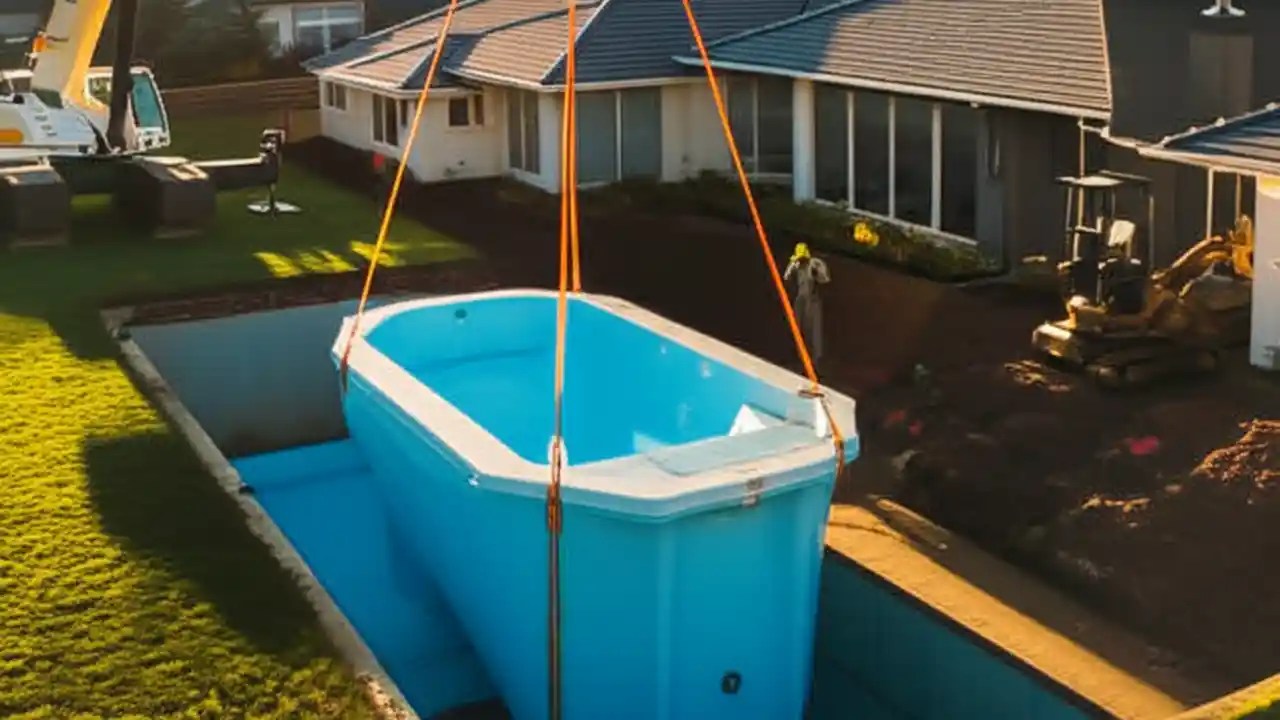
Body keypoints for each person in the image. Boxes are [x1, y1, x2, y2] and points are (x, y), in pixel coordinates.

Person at [783, 242, 831, 365]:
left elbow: (825, 279)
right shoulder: (797, 265)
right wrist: (792, 265)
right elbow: (786, 278)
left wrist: (817, 271)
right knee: (799, 327)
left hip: (813, 299)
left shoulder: (814, 263)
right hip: (800, 299)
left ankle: (816, 358)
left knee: (814, 328)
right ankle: (800, 355)